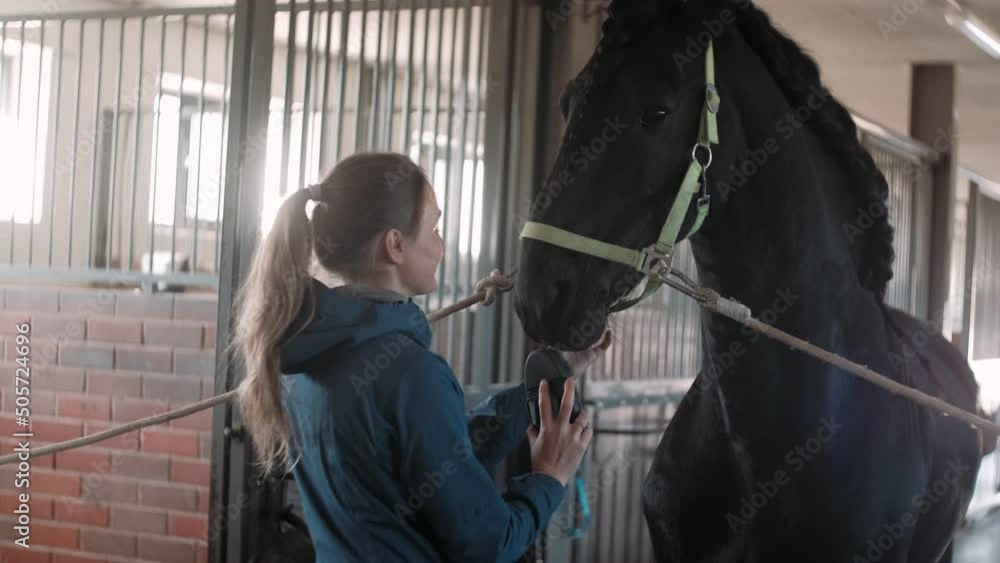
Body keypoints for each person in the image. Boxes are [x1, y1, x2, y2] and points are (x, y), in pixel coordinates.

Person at [232, 152, 613, 563]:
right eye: (434, 227)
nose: (442, 245)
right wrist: (549, 478)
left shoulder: (300, 359)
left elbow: (428, 469)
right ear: (395, 245)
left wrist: (535, 392)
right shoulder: (411, 373)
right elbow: (488, 544)